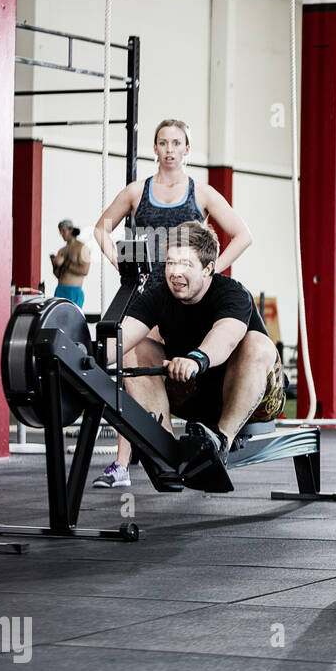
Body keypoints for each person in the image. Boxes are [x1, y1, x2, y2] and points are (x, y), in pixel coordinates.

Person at [90, 118, 254, 489]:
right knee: (129, 363)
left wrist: (212, 270)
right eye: (162, 142)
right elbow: (101, 228)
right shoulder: (137, 191)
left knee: (178, 366)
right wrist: (121, 262)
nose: (169, 149)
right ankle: (122, 462)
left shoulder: (202, 193)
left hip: (185, 299)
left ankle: (202, 443)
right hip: (147, 295)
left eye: (176, 142)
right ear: (155, 148)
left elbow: (244, 235)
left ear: (186, 149)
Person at [117, 221, 283, 478]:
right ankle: (166, 448)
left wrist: (196, 359)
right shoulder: (158, 296)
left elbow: (225, 337)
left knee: (256, 343)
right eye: (171, 263)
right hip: (193, 394)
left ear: (208, 269)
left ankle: (220, 442)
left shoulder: (232, 293)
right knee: (134, 349)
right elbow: (120, 339)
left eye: (186, 264)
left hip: (253, 398)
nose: (175, 272)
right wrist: (79, 359)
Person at [49, 219, 91, 309]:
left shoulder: (82, 248)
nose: (62, 234)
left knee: (72, 320)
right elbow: (58, 275)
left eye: (64, 231)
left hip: (74, 291)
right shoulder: (62, 250)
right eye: (60, 232)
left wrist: (65, 263)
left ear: (71, 230)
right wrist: (54, 264)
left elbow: (84, 271)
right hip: (60, 289)